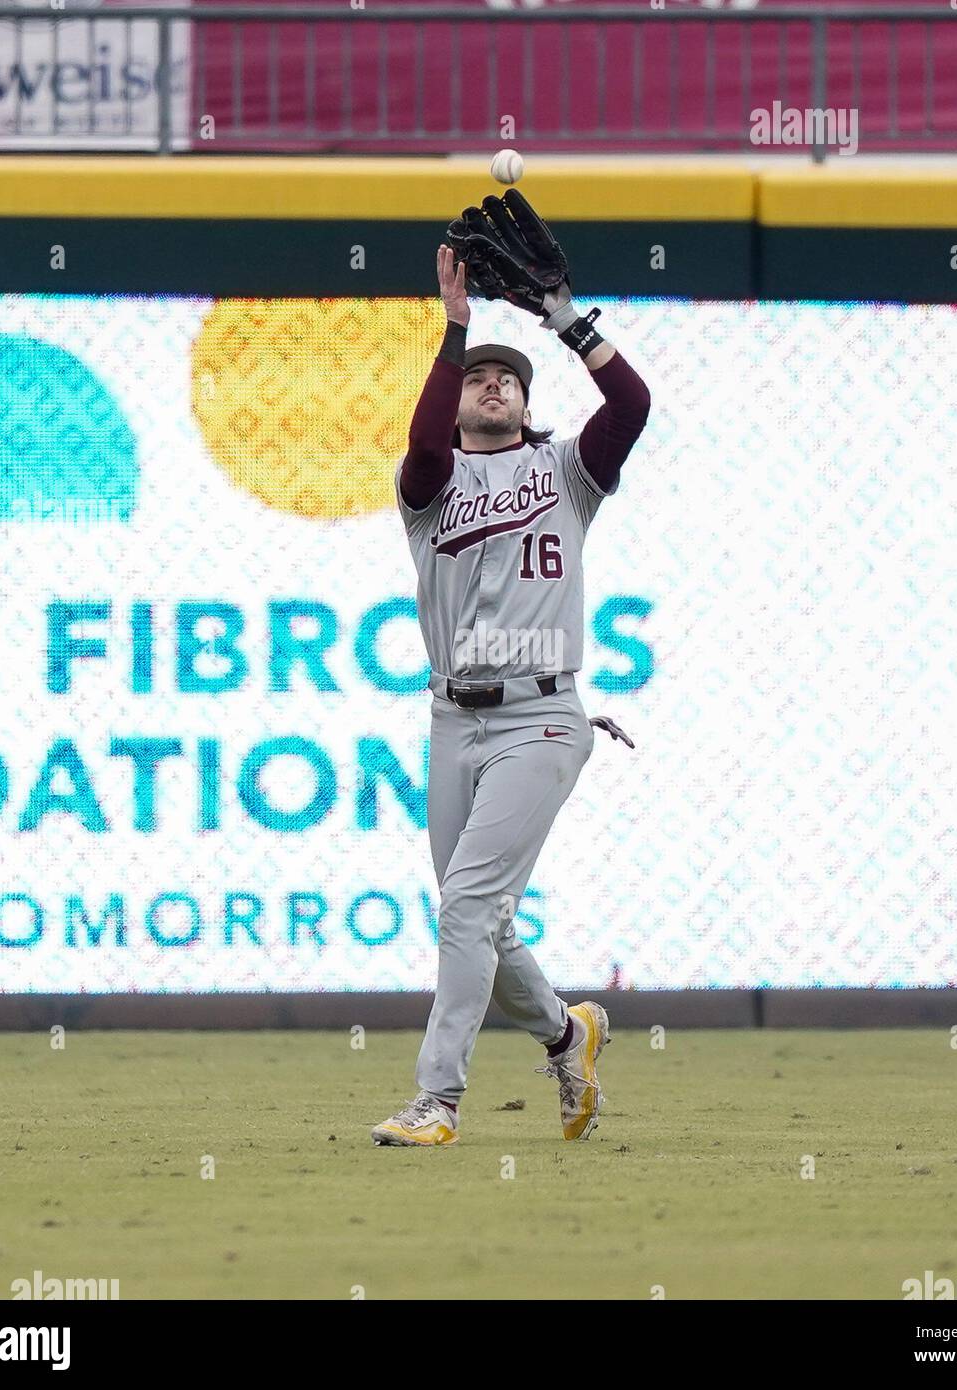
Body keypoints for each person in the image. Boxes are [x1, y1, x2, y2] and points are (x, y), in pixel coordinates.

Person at [371, 245, 650, 1147]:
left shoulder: (569, 472)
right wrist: (455, 327)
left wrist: (565, 316)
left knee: (463, 909)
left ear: (529, 404)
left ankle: (437, 1101)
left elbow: (633, 406)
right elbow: (419, 446)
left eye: (508, 379)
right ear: (454, 399)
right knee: (479, 922)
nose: (493, 385)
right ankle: (570, 1036)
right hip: (452, 718)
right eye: (479, 378)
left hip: (541, 716)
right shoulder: (429, 488)